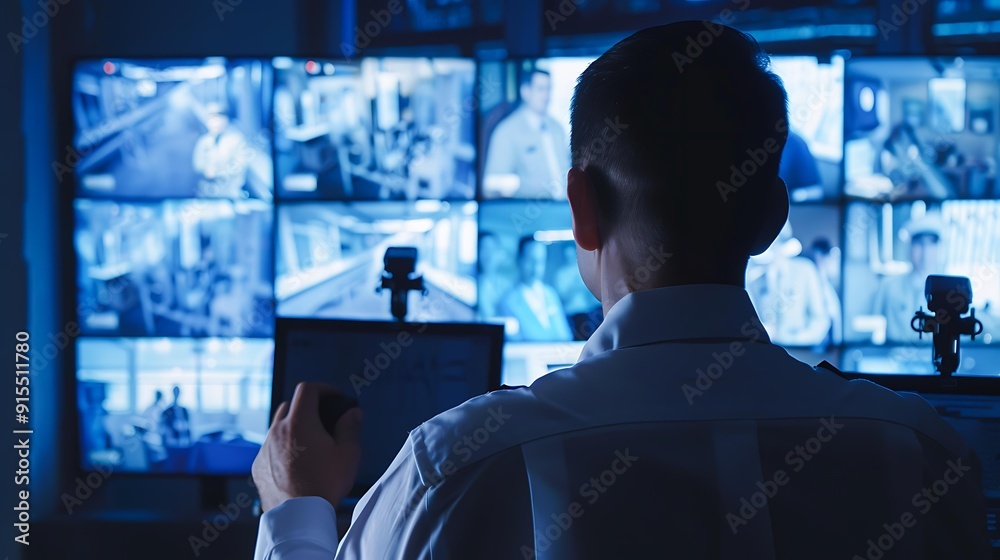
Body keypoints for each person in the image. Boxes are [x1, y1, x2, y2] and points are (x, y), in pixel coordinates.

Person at [252, 23, 989, 559]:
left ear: (582, 208)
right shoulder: (923, 455)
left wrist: (296, 509)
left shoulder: (455, 468)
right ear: (772, 218)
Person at [483, 68, 571, 199]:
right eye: (540, 89)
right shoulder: (506, 131)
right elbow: (491, 185)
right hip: (528, 208)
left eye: (548, 89)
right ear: (525, 91)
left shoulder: (557, 127)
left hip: (565, 205)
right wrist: (520, 185)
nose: (546, 95)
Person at [746, 222, 832, 347]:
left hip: (798, 352)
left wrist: (791, 340)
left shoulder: (805, 270)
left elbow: (820, 319)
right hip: (763, 352)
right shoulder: (753, 276)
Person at [873, 213, 945, 343]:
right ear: (909, 247)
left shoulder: (949, 289)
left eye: (931, 244)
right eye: (919, 244)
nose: (925, 252)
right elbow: (874, 325)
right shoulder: (888, 286)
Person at [496, 236, 573, 341]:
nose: (536, 267)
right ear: (519, 260)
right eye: (530, 260)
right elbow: (515, 342)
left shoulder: (551, 294)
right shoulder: (509, 301)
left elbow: (565, 334)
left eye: (540, 261)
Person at [192, 102, 250, 198]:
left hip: (230, 193)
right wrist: (206, 171)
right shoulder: (203, 141)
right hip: (206, 192)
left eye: (219, 118)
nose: (216, 122)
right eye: (212, 119)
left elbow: (240, 165)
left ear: (226, 120)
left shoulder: (237, 140)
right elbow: (197, 165)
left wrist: (217, 173)